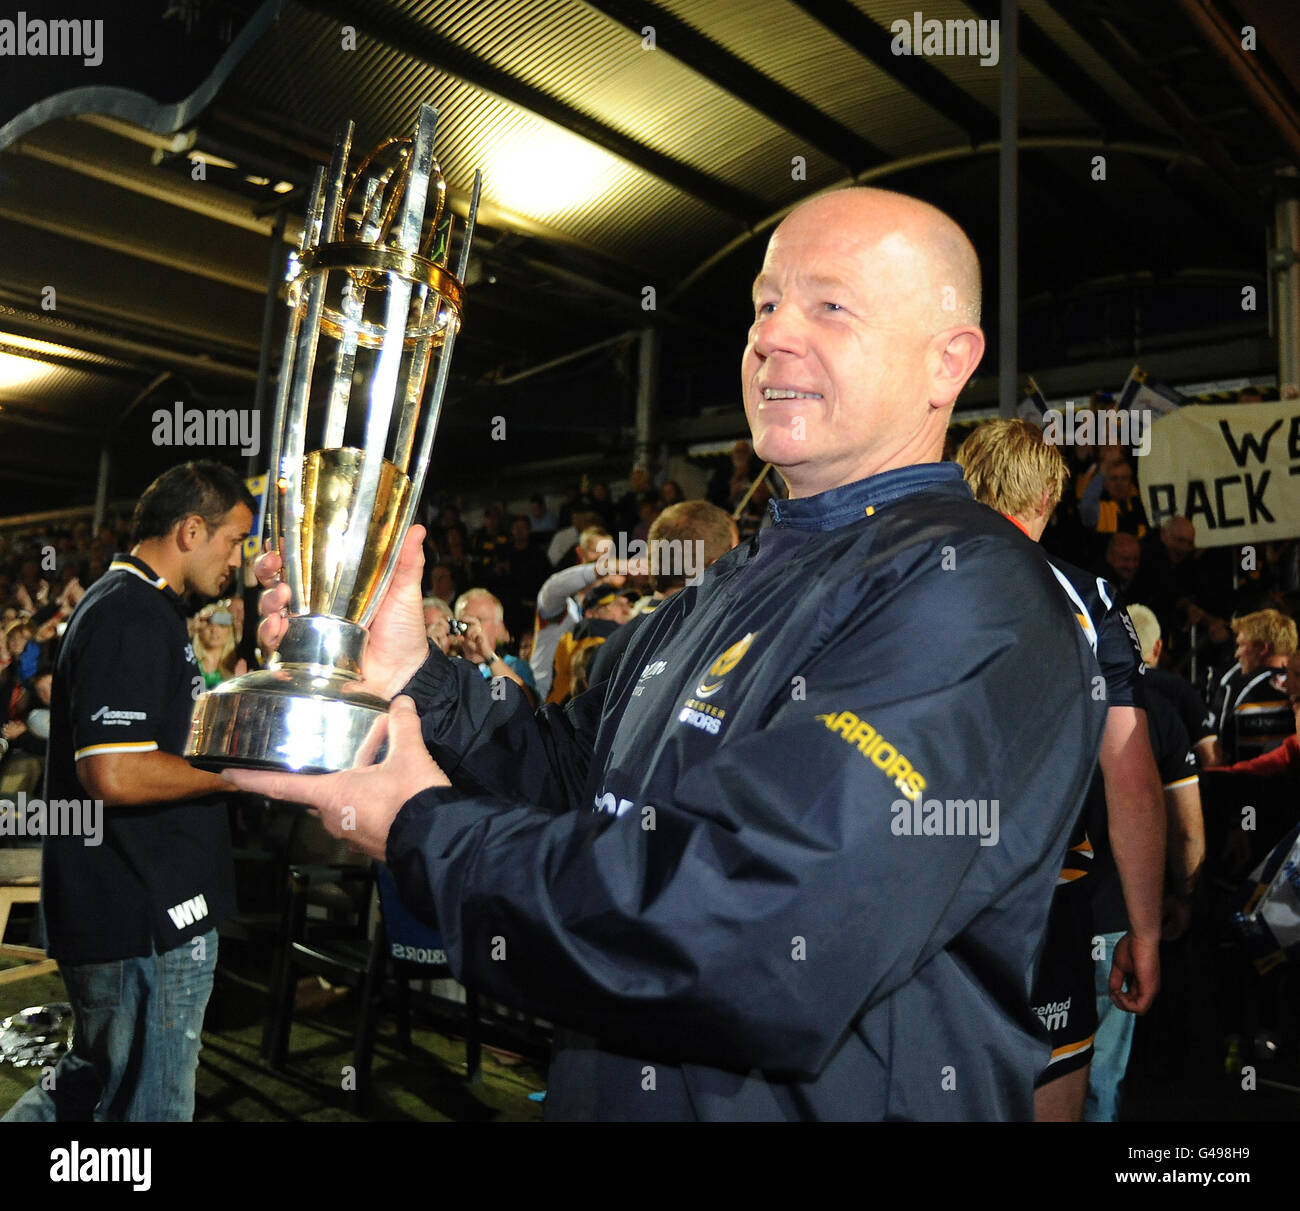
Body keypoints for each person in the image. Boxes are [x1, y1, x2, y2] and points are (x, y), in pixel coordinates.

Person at [230, 188, 1107, 1121]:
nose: (774, 337)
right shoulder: (726, 587)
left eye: (830, 305)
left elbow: (758, 923)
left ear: (948, 361)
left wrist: (423, 830)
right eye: (766, 305)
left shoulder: (971, 592)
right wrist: (416, 678)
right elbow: (574, 779)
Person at [3, 460, 253, 1123]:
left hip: (129, 903)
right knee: (148, 1110)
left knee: (87, 1085)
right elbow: (113, 771)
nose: (239, 560)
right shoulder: (129, 610)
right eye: (233, 540)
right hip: (141, 911)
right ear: (192, 529)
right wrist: (237, 771)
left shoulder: (139, 606)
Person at [955, 418, 1166, 1122]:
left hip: (925, 905)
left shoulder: (903, 577)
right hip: (1045, 908)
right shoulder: (1091, 600)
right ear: (1049, 492)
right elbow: (1132, 784)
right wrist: (1145, 930)